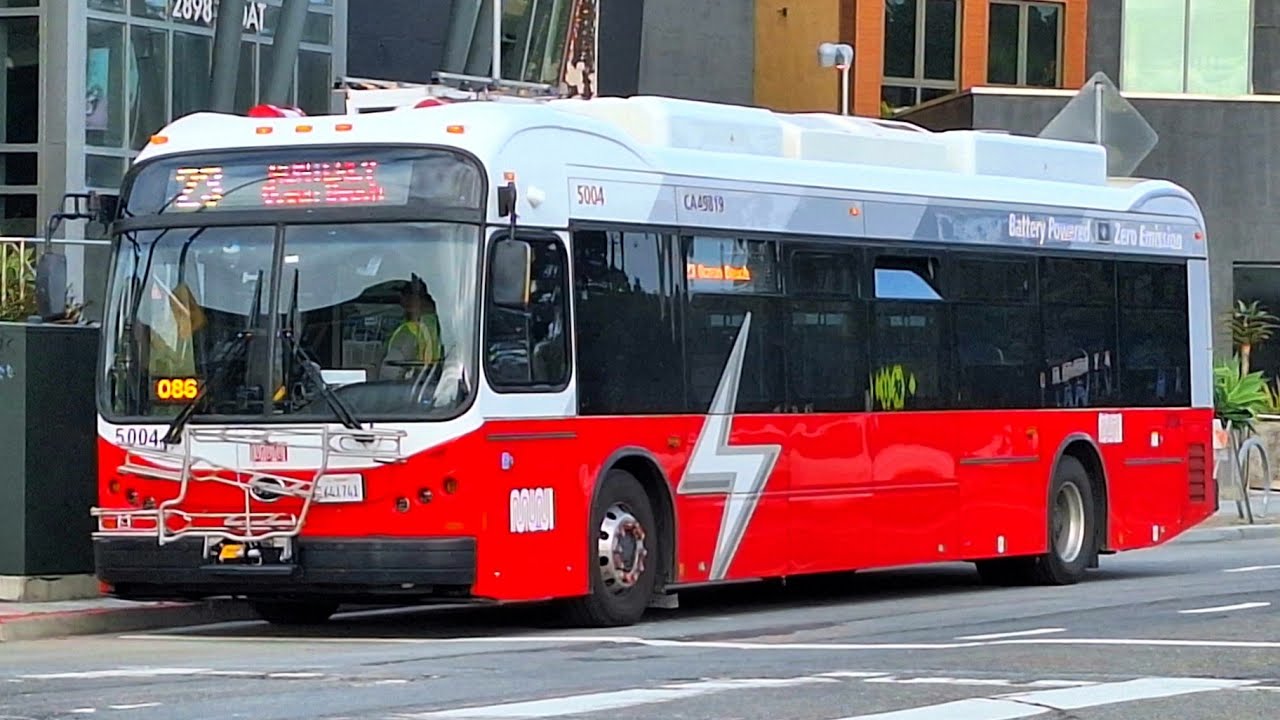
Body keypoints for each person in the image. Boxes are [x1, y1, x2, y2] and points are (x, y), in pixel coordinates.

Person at [382, 274, 443, 380]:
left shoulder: (407, 332)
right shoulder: (445, 327)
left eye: (404, 295)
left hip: (412, 391)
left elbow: (390, 375)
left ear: (413, 300)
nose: (401, 300)